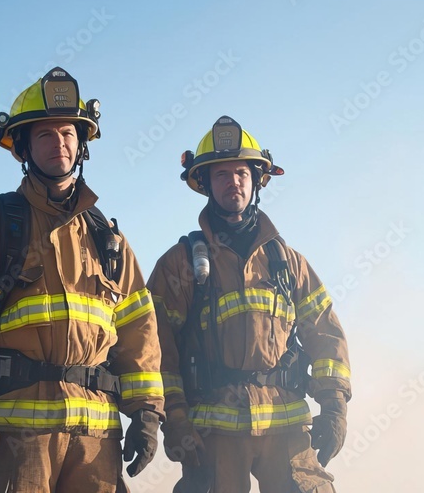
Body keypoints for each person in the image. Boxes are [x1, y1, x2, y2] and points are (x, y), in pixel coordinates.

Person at [0, 67, 164, 492]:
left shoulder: (109, 240)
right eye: (46, 135)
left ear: (83, 143)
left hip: (97, 442)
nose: (60, 143)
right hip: (15, 441)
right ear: (24, 148)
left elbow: (139, 329)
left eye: (69, 133)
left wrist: (146, 412)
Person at [148, 116, 351, 493]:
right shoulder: (179, 265)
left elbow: (325, 332)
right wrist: (174, 416)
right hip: (214, 433)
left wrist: (334, 403)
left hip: (286, 426)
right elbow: (157, 348)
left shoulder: (289, 263)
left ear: (257, 180)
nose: (233, 181)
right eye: (221, 174)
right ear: (205, 183)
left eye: (241, 172)